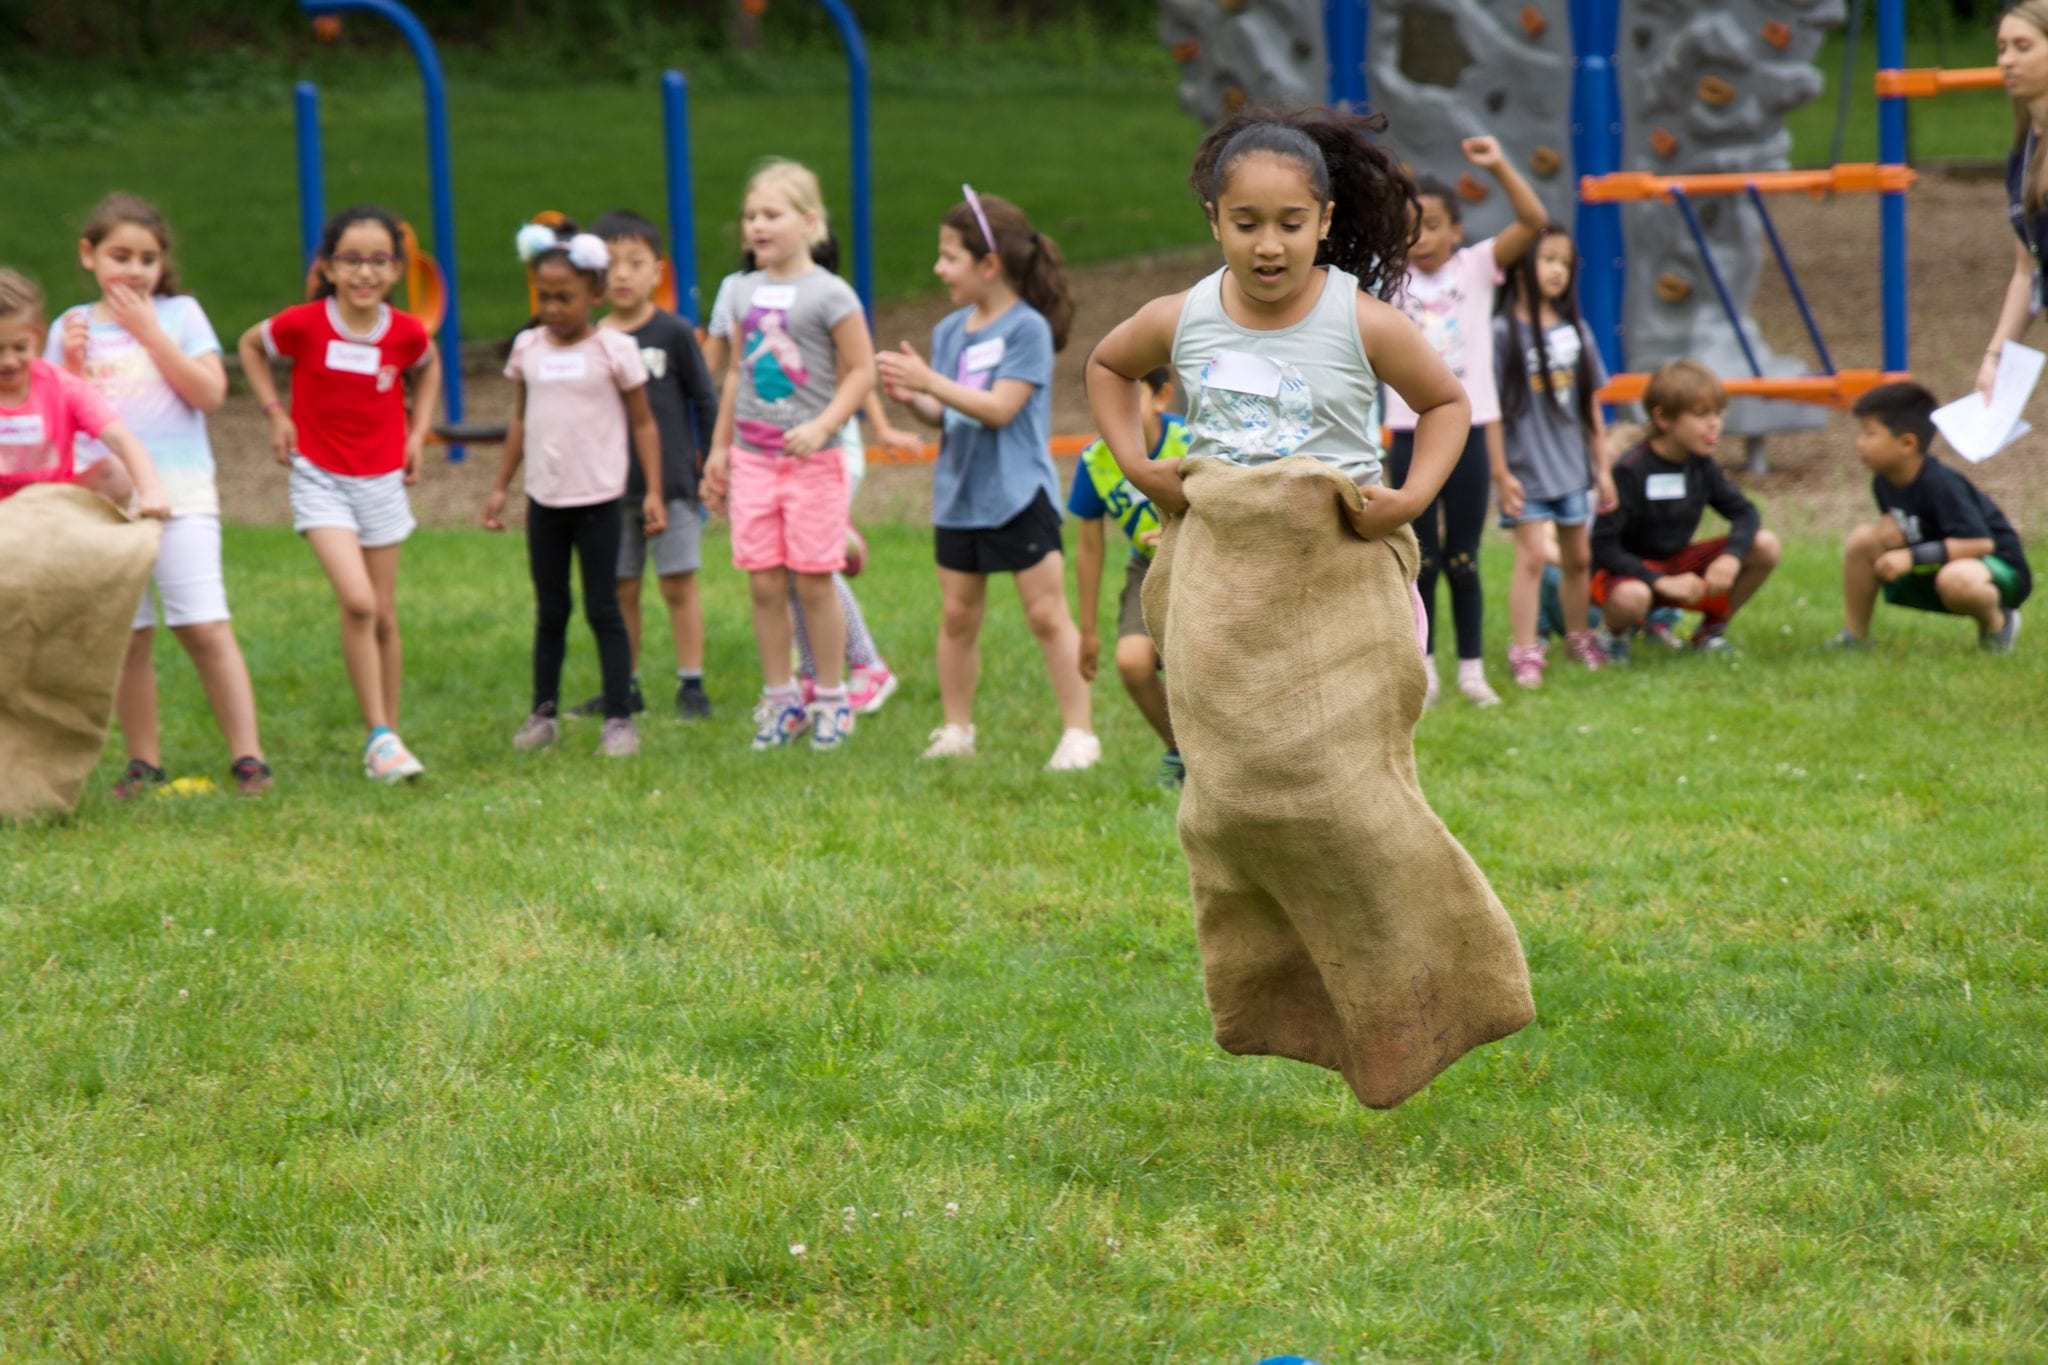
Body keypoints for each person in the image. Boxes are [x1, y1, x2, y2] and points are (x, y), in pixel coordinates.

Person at [1082, 105, 1470, 655]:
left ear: (1324, 220)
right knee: (1233, 733)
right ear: (1215, 220)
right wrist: (1137, 468)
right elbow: (1106, 365)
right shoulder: (1184, 317)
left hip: (1342, 570)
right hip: (1225, 574)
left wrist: (1411, 497)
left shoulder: (1362, 320)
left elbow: (1447, 403)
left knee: (1349, 736)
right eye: (1246, 224)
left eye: (1290, 224)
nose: (1269, 244)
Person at [51, 194, 270, 798]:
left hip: (182, 494)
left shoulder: (181, 315)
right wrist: (69, 359)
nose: (136, 269)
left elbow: (208, 394)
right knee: (129, 633)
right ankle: (143, 762)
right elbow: (58, 415)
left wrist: (150, 334)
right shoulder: (69, 325)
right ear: (88, 255)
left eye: (148, 257)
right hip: (102, 501)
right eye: (120, 255)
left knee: (203, 625)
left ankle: (249, 757)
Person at [878, 186, 1099, 768]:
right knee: (957, 617)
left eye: (949, 257)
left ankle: (1080, 735)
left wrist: (930, 383)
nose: (938, 268)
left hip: (1017, 494)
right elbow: (949, 413)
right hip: (960, 496)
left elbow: (1000, 408)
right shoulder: (952, 331)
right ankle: (956, 730)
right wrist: (912, 399)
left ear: (989, 264)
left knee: (1046, 615)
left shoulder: (1027, 329)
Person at [238, 205, 440, 783]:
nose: (365, 273)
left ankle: (387, 740)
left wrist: (417, 432)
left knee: (383, 615)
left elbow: (428, 366)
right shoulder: (304, 323)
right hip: (319, 477)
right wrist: (276, 414)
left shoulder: (403, 332)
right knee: (358, 602)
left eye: (379, 261)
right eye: (351, 260)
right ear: (328, 267)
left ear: (397, 270)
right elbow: (250, 346)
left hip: (382, 481)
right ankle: (380, 734)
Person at [701, 228, 910, 719]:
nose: (759, 225)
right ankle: (813, 678)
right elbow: (729, 367)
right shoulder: (738, 292)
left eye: (772, 214)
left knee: (808, 570)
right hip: (763, 452)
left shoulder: (824, 297)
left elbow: (854, 372)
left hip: (823, 450)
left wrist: (879, 428)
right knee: (782, 575)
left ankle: (863, 667)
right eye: (753, 214)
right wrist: (717, 441)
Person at [483, 222, 666, 757]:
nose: (554, 308)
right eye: (544, 297)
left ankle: (618, 717)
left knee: (604, 608)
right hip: (546, 502)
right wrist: (500, 487)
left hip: (599, 504)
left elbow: (645, 424)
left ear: (595, 295)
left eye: (566, 298)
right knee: (551, 609)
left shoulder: (614, 349)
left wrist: (653, 490)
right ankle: (543, 712)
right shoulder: (527, 348)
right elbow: (520, 420)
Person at [1384, 136, 1548, 707]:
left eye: (1430, 225)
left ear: (1456, 230)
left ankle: (1472, 669)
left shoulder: (1476, 269)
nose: (1419, 238)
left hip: (1468, 431)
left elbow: (1534, 219)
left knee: (1464, 556)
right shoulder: (1386, 279)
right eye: (1408, 227)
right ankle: (1423, 667)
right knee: (1419, 555)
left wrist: (1500, 163)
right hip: (1408, 433)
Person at [553, 209, 719, 723]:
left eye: (636, 262)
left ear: (658, 272)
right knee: (620, 587)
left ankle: (692, 685)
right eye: (612, 264)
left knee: (677, 582)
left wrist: (711, 462)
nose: (623, 274)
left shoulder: (673, 334)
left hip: (670, 485)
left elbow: (705, 401)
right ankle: (624, 685)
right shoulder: (589, 338)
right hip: (606, 489)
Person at [1492, 224, 1616, 688]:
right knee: (1529, 558)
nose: (1557, 271)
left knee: (1579, 556)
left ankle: (1578, 635)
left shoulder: (1575, 329)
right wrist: (1501, 473)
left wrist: (1602, 468)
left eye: (1565, 263)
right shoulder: (1502, 332)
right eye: (1548, 259)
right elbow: (1492, 413)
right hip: (1527, 472)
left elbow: (1590, 408)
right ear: (1522, 265)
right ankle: (1524, 649)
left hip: (1573, 472)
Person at [1589, 360, 1781, 658]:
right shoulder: (1629, 470)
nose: (1714, 423)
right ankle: (1613, 638)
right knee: (1632, 596)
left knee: (1765, 545)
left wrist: (1731, 558)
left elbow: (1745, 512)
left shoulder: (1701, 464)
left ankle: (1710, 633)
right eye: (1701, 414)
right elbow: (1602, 545)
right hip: (1628, 575)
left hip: (1677, 564)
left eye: (1718, 413)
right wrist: (1659, 581)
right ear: (1663, 418)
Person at [1834, 380, 2028, 653]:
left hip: (1996, 570)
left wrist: (1910, 557)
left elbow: (1980, 543)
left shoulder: (1941, 483)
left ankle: (1998, 623)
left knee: (1956, 580)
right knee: (1864, 540)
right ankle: (1854, 638)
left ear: (1907, 443)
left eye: (1869, 434)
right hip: (1942, 564)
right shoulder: (1884, 481)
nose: (1859, 443)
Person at [1069, 366, 1190, 786]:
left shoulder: (1192, 441)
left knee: (1196, 666)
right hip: (1147, 568)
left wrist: (1182, 531)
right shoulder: (1096, 460)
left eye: (1126, 398)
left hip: (1203, 562)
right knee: (1133, 663)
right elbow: (1088, 547)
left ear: (1160, 398)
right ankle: (1183, 753)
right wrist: (1087, 630)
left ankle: (1225, 756)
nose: (1111, 413)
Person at [0, 268, 167, 515]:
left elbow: (122, 439)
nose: (9, 361)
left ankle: (97, 544)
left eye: (20, 347)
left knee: (114, 474)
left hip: (54, 507)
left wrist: (152, 490)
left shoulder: (61, 387)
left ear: (38, 336)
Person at [1982, 1, 2048, 402]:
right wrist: (1995, 357)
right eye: (2002, 47)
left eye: (2022, 47)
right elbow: (2026, 271)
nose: (2007, 60)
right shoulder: (2023, 152)